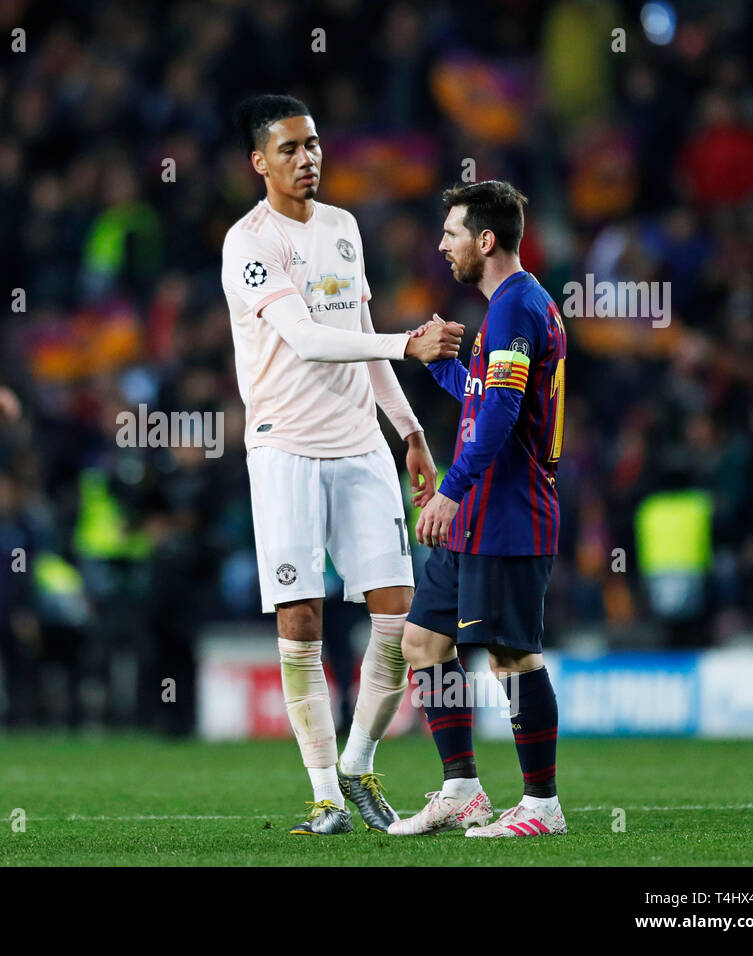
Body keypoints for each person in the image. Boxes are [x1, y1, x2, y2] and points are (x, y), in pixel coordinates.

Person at [220, 94, 463, 835]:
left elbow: (353, 329)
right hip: (286, 444)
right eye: (290, 148)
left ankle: (357, 764)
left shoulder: (344, 228)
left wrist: (410, 430)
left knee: (397, 615)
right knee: (302, 617)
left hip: (360, 444)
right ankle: (324, 792)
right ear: (260, 162)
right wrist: (407, 343)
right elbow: (308, 339)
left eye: (315, 144)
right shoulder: (248, 243)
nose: (308, 158)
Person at [389, 180, 568, 838]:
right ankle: (462, 788)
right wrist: (446, 368)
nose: (441, 245)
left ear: (485, 241)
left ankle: (542, 805)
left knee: (511, 656)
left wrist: (451, 488)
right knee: (423, 642)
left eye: (452, 234)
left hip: (506, 512)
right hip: (475, 516)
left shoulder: (520, 307)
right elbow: (485, 397)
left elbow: (502, 413)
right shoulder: (507, 312)